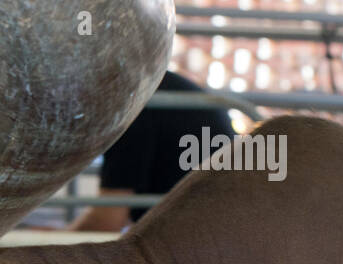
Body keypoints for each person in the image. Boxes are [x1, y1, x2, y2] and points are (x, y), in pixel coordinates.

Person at [70, 70, 236, 231]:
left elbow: (107, 221)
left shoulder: (129, 104)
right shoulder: (150, 83)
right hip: (217, 226)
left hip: (194, 237)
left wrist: (53, 243)